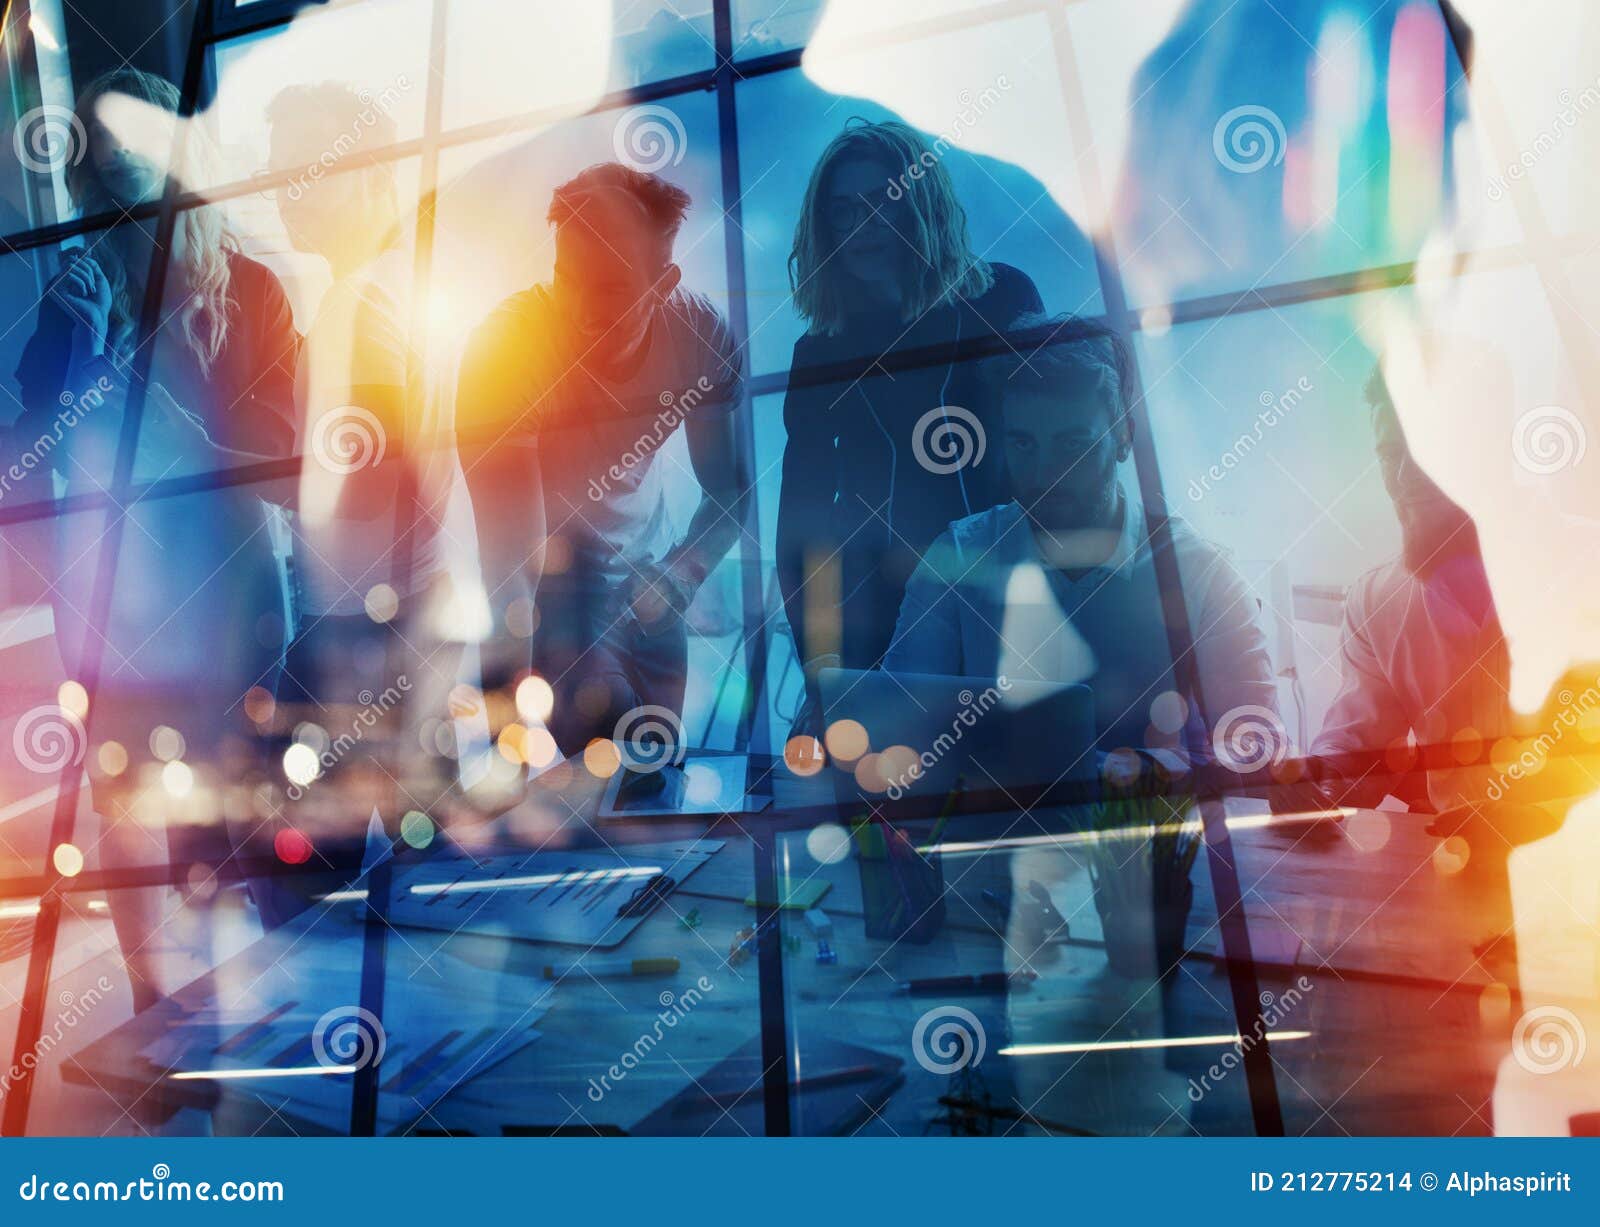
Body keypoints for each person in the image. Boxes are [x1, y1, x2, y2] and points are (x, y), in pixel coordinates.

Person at [11, 69, 300, 1002]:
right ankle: (157, 1009)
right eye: (102, 165)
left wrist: (192, 429)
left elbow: (294, 459)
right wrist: (86, 353)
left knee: (249, 794)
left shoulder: (251, 288)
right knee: (125, 797)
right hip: (112, 585)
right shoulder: (76, 298)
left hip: (231, 575)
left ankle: (276, 1007)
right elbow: (23, 455)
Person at [882, 314, 1279, 771]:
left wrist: (1127, 774)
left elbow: (1259, 749)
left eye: (1073, 446)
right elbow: (900, 729)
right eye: (1024, 445)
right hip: (990, 836)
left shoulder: (1199, 571)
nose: (1046, 475)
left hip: (1151, 839)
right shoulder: (957, 556)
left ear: (1123, 440)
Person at [457, 162, 748, 756]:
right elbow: (509, 555)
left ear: (662, 285)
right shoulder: (505, 352)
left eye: (610, 288)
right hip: (558, 591)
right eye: (569, 279)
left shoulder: (698, 335)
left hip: (651, 578)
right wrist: (505, 710)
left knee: (655, 775)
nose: (581, 309)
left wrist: (682, 575)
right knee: (604, 759)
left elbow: (732, 493)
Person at [777, 121, 1042, 736]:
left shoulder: (1003, 298)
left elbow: (1059, 441)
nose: (863, 227)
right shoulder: (821, 350)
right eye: (843, 212)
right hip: (875, 616)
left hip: (1003, 595)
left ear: (920, 203)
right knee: (879, 814)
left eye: (879, 204)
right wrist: (821, 669)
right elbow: (802, 522)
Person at [265, 81, 463, 794]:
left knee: (292, 860)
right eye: (282, 176)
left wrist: (237, 468)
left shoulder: (356, 304)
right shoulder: (399, 289)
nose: (292, 193)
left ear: (375, 176)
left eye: (310, 171)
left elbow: (371, 475)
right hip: (398, 606)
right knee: (400, 845)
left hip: (357, 625)